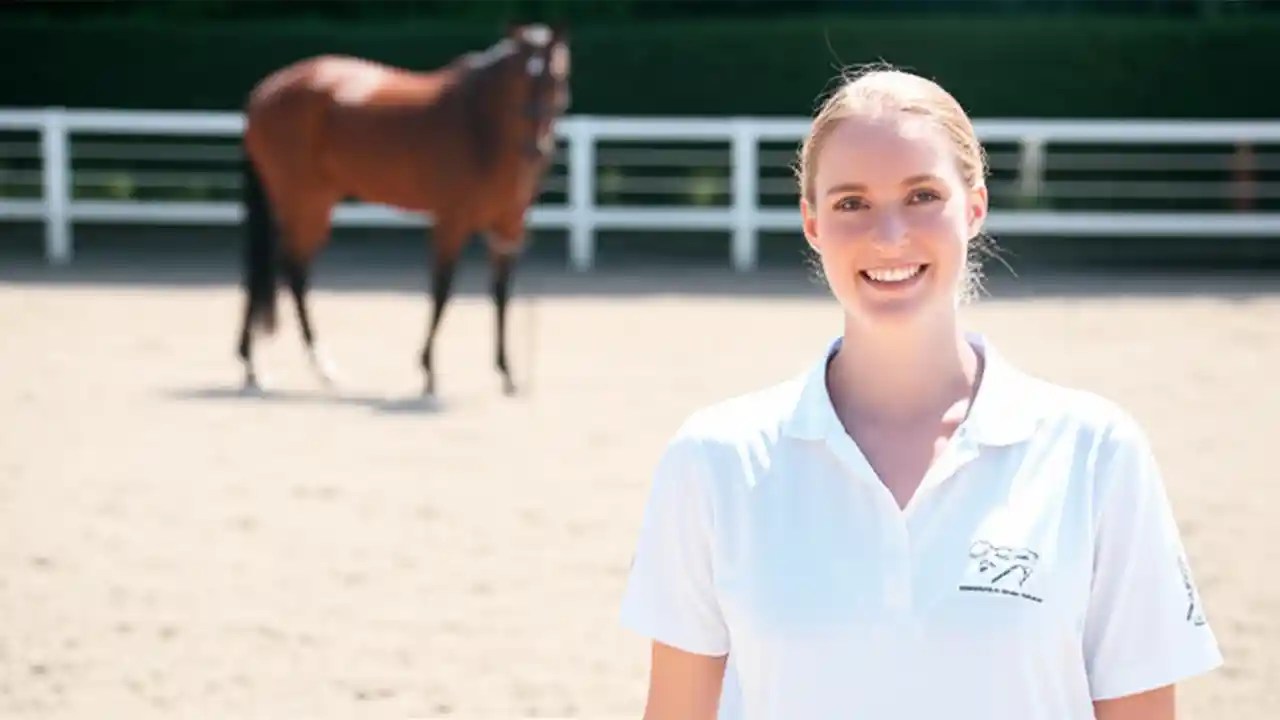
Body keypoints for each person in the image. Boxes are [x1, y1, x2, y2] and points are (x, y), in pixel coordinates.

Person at [618, 65, 1223, 720]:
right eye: (851, 202)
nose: (889, 235)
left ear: (976, 206)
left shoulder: (1096, 453)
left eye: (921, 195)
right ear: (812, 223)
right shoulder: (716, 461)